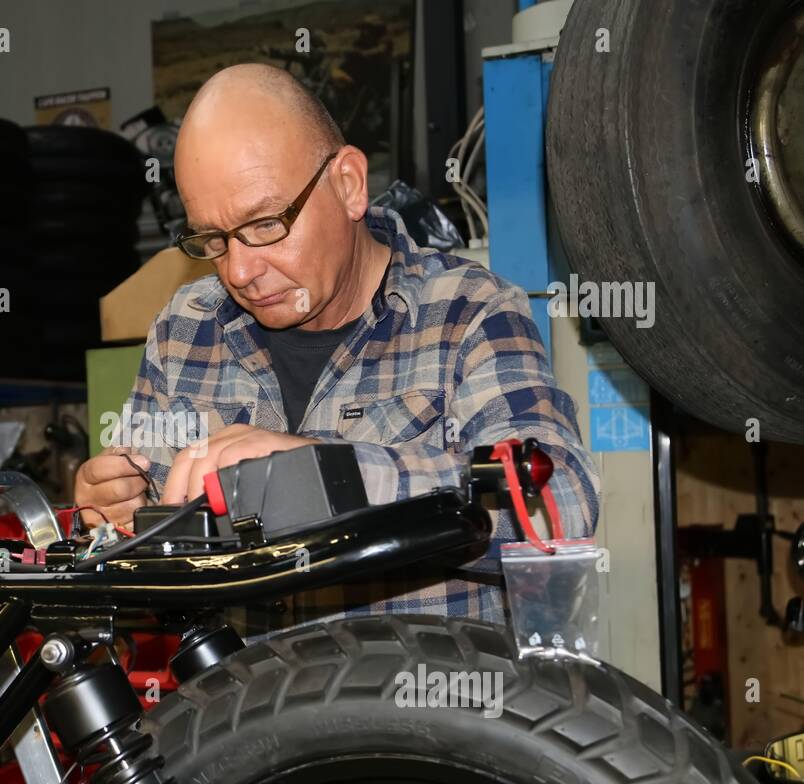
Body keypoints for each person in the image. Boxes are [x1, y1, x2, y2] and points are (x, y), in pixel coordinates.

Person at [75, 64, 599, 627]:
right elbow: (136, 527)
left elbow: (557, 507)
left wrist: (329, 475)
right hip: (234, 709)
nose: (242, 269)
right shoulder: (185, 329)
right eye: (213, 239)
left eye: (266, 224)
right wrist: (108, 513)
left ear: (348, 184)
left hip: (419, 704)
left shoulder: (467, 312)